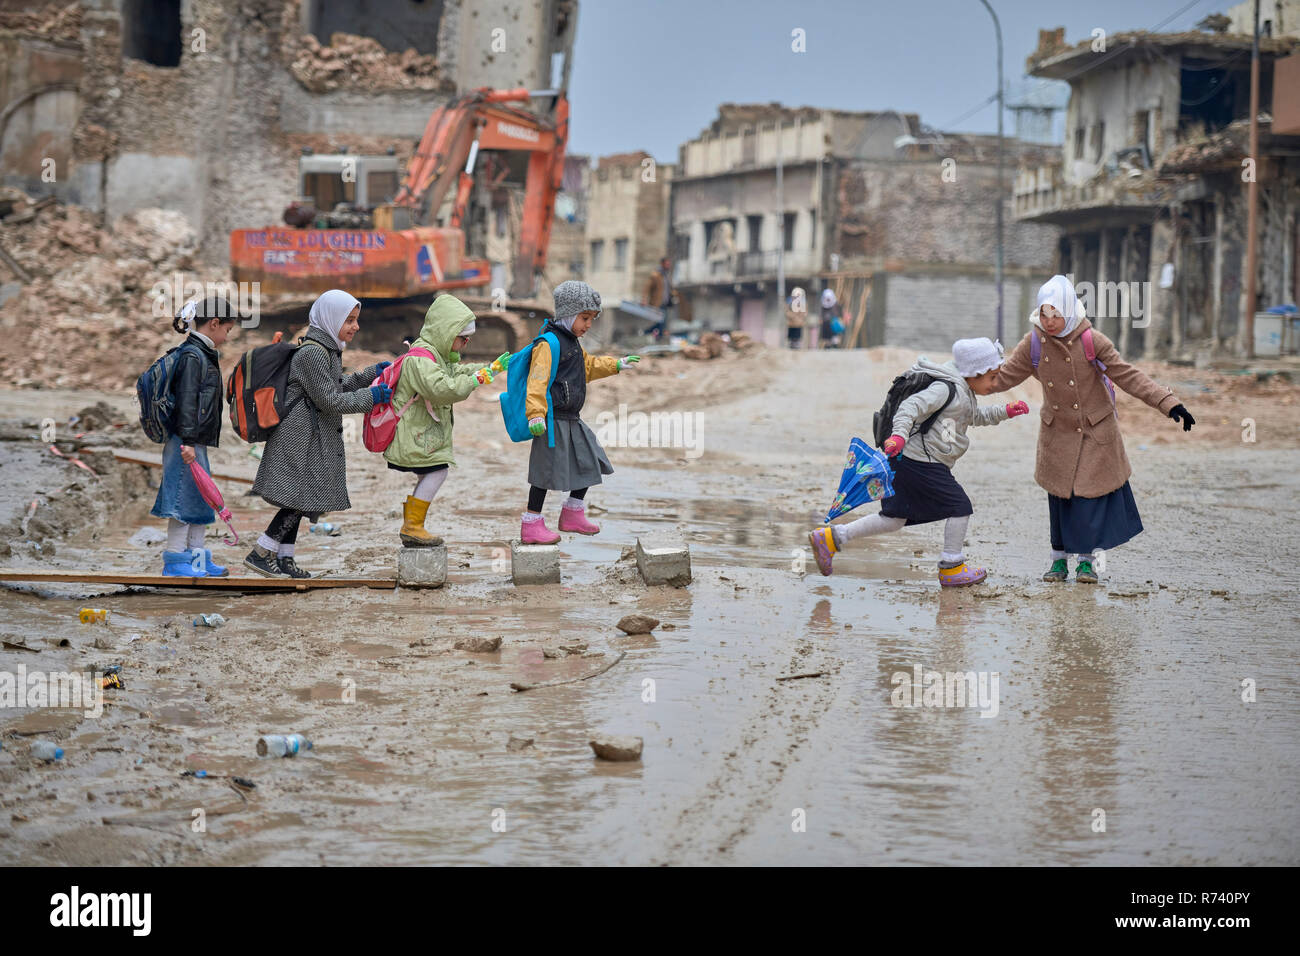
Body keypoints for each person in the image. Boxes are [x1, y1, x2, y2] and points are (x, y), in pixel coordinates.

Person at [990, 274, 1195, 583]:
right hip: (1057, 431)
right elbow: (1003, 378)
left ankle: (1086, 561)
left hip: (1093, 431)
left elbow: (1127, 375)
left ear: (1069, 309)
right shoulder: (1033, 343)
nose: (1050, 321)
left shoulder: (1090, 339)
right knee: (1059, 497)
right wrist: (963, 381)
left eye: (1056, 314)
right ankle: (1058, 561)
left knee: (1087, 497)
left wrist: (1168, 403)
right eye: (1045, 314)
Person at [808, 337, 1030, 587]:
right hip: (920, 462)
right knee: (960, 506)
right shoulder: (947, 389)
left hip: (917, 462)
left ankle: (831, 538)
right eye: (992, 377)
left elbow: (973, 416)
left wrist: (1005, 411)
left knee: (893, 518)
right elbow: (909, 408)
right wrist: (899, 435)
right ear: (973, 373)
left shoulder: (963, 392)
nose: (995, 383)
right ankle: (952, 566)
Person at [245, 289, 391, 578]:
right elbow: (330, 400)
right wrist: (372, 397)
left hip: (310, 438)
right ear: (331, 318)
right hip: (299, 440)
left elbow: (336, 384)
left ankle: (284, 558)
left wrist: (371, 373)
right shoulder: (313, 353)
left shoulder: (326, 350)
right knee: (296, 499)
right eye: (349, 320)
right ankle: (261, 553)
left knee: (302, 497)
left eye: (355, 320)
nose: (355, 326)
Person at [521, 280, 640, 544]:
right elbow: (537, 381)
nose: (588, 325)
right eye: (585, 318)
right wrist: (536, 414)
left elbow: (588, 367)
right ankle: (531, 524)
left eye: (591, 319)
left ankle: (572, 513)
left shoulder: (573, 343)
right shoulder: (549, 343)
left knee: (591, 459)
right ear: (568, 314)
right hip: (550, 420)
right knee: (543, 474)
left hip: (572, 419)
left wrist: (616, 364)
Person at [384, 294, 507, 546]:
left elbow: (457, 371)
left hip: (421, 433)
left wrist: (490, 368)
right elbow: (442, 389)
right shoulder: (421, 359)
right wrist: (475, 381)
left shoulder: (438, 355)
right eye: (462, 338)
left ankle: (412, 525)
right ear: (446, 332)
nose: (466, 342)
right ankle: (413, 526)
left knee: (431, 472)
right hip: (413, 434)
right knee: (438, 471)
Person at [151, 297, 238, 577]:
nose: (227, 336)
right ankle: (176, 561)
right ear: (214, 324)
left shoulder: (203, 353)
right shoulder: (192, 356)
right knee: (181, 500)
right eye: (227, 330)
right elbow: (187, 400)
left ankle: (198, 560)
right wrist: (187, 441)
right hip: (185, 441)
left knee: (202, 498)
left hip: (194, 440)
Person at [642, 256, 675, 338]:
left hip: (665, 304)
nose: (668, 266)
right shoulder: (655, 275)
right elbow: (647, 288)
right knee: (661, 323)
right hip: (657, 304)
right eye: (667, 264)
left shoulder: (667, 276)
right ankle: (648, 333)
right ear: (662, 264)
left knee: (661, 324)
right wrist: (644, 299)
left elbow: (669, 289)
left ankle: (646, 333)